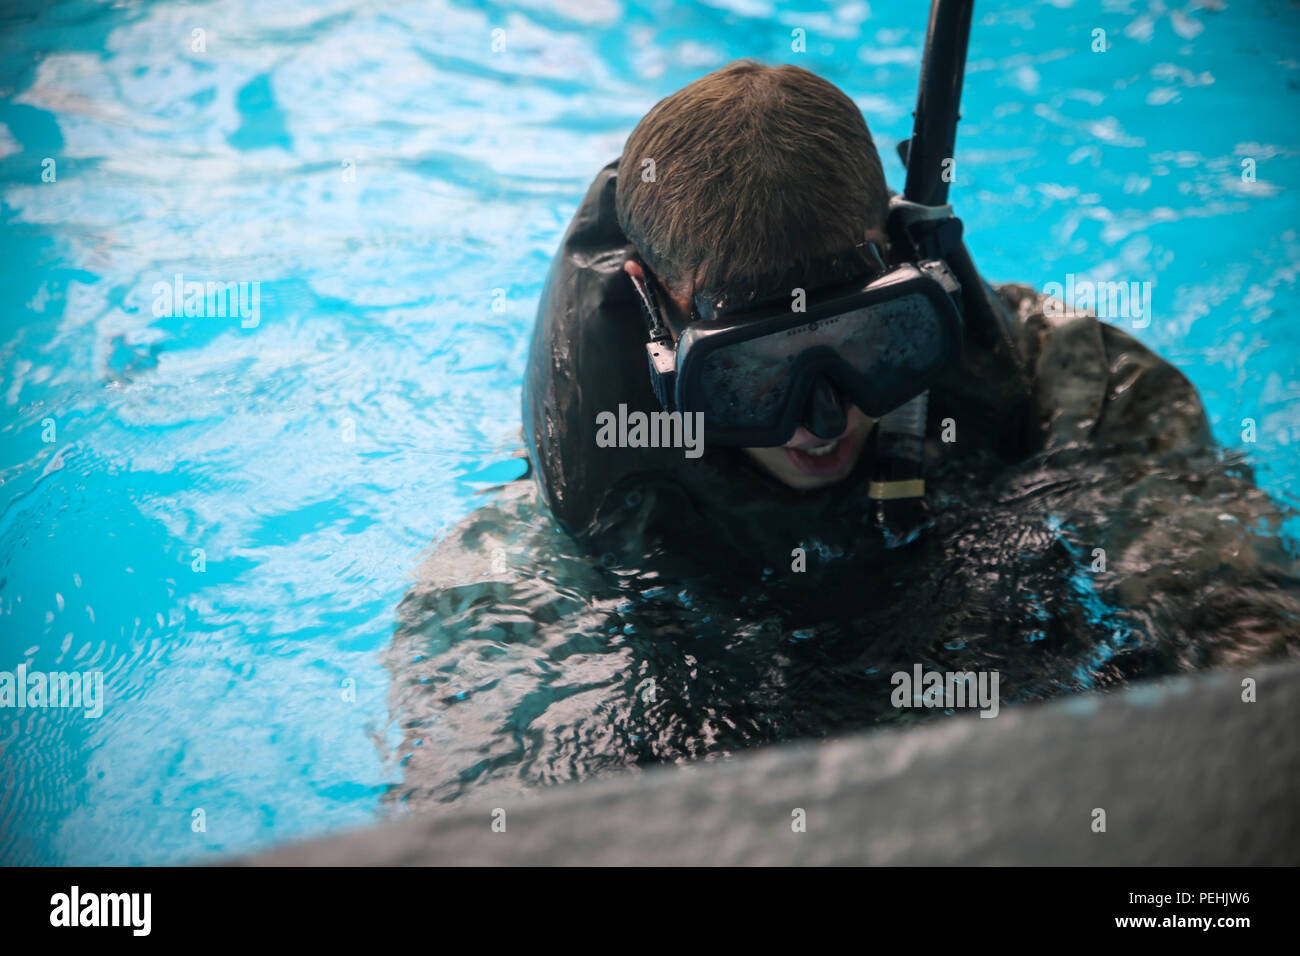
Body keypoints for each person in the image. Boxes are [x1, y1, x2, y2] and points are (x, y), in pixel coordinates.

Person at [384, 60, 1299, 810]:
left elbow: (1254, 642)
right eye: (754, 374)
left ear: (907, 261)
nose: (824, 420)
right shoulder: (543, 555)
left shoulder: (1068, 386)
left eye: (869, 343)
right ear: (655, 315)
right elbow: (473, 815)